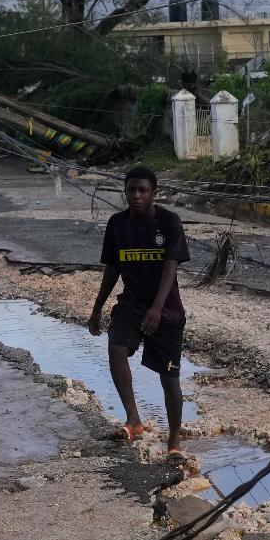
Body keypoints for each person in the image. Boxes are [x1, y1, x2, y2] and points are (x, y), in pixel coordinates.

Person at [87, 166, 192, 465]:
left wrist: (157, 308)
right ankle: (133, 420)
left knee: (169, 379)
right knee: (116, 348)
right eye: (131, 190)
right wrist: (96, 310)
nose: (136, 195)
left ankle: (174, 443)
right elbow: (112, 269)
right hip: (131, 305)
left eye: (142, 190)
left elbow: (171, 267)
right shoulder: (117, 224)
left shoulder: (169, 222)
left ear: (153, 193)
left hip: (167, 309)